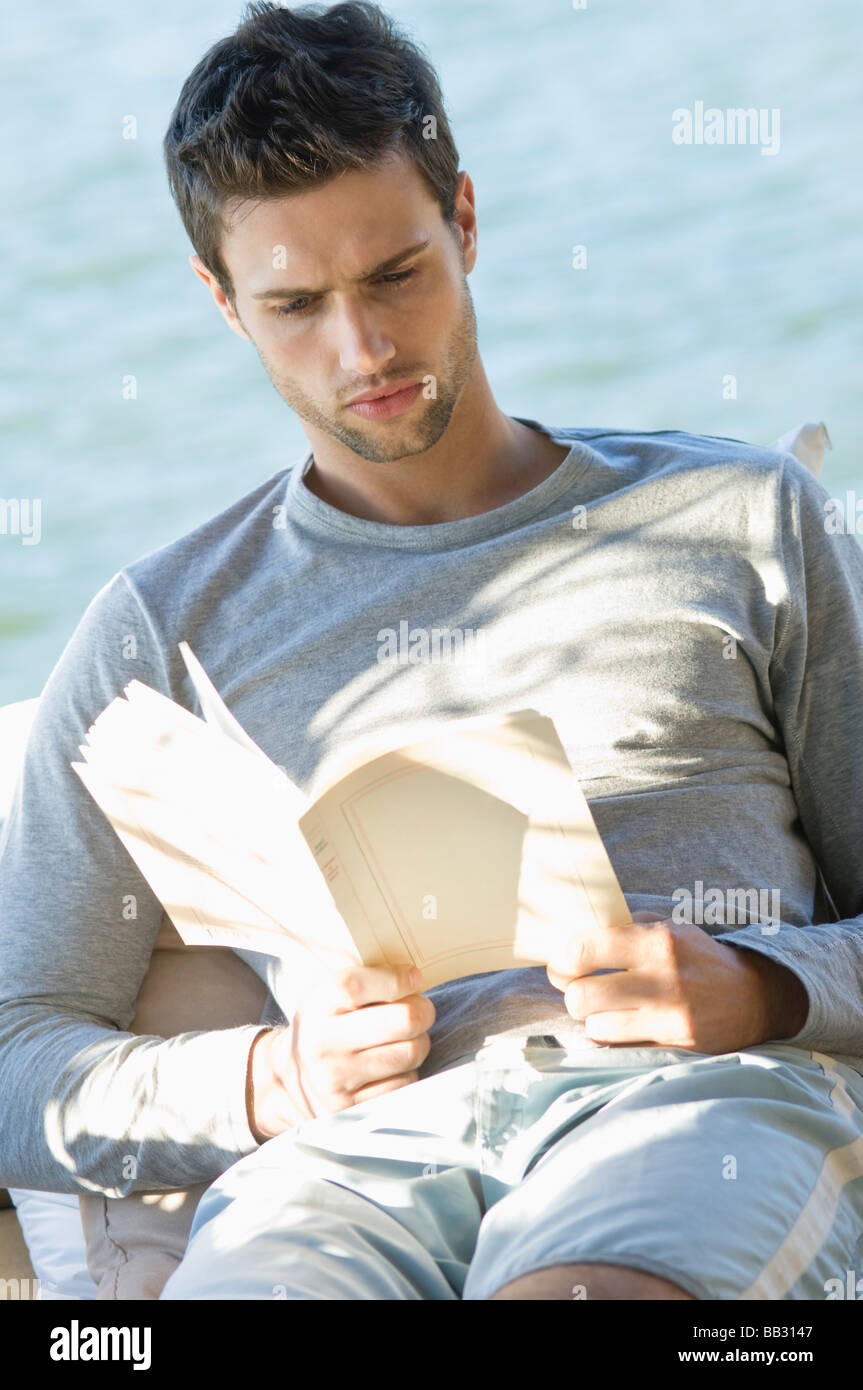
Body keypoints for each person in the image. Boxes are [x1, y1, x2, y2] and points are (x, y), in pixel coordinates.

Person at [3, 0, 863, 1302]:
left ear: (464, 220)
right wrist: (266, 1076)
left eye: (396, 273)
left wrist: (759, 986)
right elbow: (20, 1049)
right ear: (223, 303)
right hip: (342, 1164)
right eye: (295, 302)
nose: (363, 349)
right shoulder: (157, 627)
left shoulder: (744, 517)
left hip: (685, 1114)